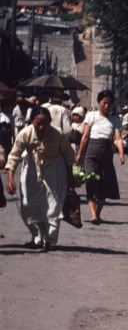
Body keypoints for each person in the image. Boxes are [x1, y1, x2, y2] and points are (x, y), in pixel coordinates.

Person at [4, 107, 75, 250]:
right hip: (32, 168)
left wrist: (70, 179)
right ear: (32, 122)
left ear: (50, 122)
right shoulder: (25, 133)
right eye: (38, 124)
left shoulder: (58, 134)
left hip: (55, 168)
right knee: (27, 205)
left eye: (45, 124)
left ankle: (49, 240)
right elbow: (14, 156)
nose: (41, 127)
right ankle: (36, 237)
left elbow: (68, 156)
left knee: (53, 206)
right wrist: (10, 178)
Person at [76, 89, 125, 225]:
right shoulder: (91, 116)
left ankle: (97, 214)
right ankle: (93, 214)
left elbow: (118, 139)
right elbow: (85, 136)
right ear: (99, 103)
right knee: (91, 182)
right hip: (91, 153)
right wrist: (79, 153)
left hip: (106, 155)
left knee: (104, 185)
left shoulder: (115, 120)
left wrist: (121, 154)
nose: (106, 106)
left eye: (109, 103)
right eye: (104, 103)